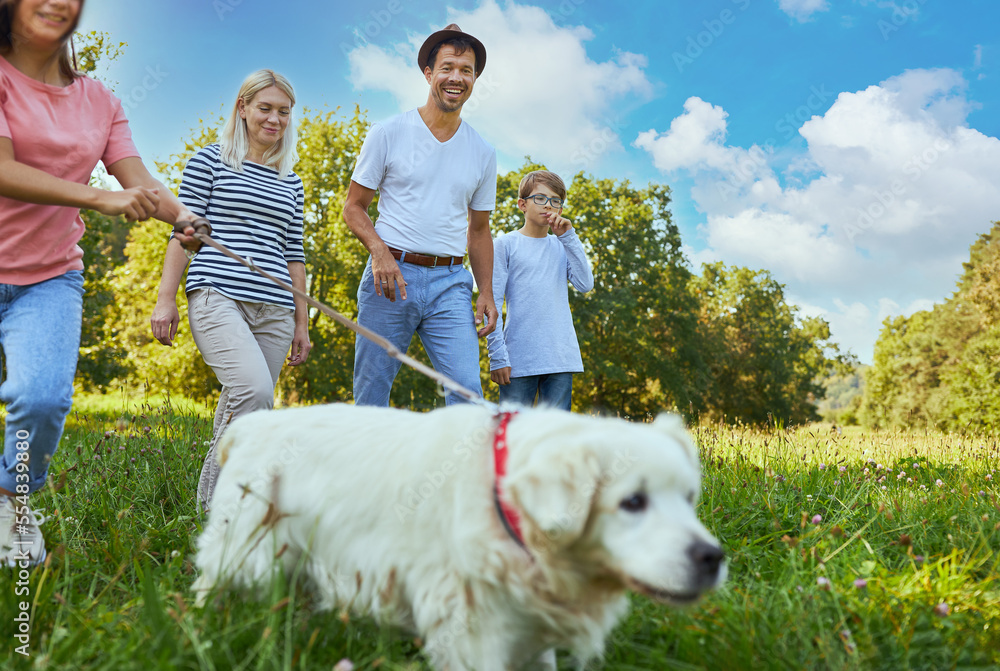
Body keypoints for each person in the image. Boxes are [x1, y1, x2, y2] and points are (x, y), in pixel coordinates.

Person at [0, 0, 202, 566]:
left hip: (49, 275)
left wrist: (183, 217)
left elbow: (139, 180)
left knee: (41, 400)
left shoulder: (100, 102)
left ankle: (11, 498)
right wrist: (98, 196)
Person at [150, 69, 311, 510]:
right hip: (217, 293)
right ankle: (224, 507)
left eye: (283, 111)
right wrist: (166, 299)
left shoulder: (291, 180)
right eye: (265, 108)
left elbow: (294, 252)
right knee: (254, 392)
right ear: (242, 108)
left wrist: (302, 321)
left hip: (276, 308)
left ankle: (210, 505)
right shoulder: (209, 160)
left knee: (244, 404)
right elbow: (185, 234)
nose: (275, 119)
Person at [342, 23, 498, 407]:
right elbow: (353, 206)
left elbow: (479, 231)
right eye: (447, 67)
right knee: (372, 391)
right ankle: (364, 466)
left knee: (467, 393)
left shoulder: (483, 151)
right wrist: (379, 252)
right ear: (429, 73)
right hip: (391, 277)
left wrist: (487, 293)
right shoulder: (389, 132)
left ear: (475, 78)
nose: (456, 78)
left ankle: (466, 468)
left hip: (451, 283)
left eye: (466, 70)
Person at [488, 171, 594, 410]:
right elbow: (491, 303)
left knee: (555, 438)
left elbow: (585, 284)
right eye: (540, 198)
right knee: (512, 433)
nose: (549, 205)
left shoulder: (562, 244)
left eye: (556, 200)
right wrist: (497, 356)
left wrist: (569, 237)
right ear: (522, 204)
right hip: (517, 360)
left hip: (560, 358)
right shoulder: (505, 245)